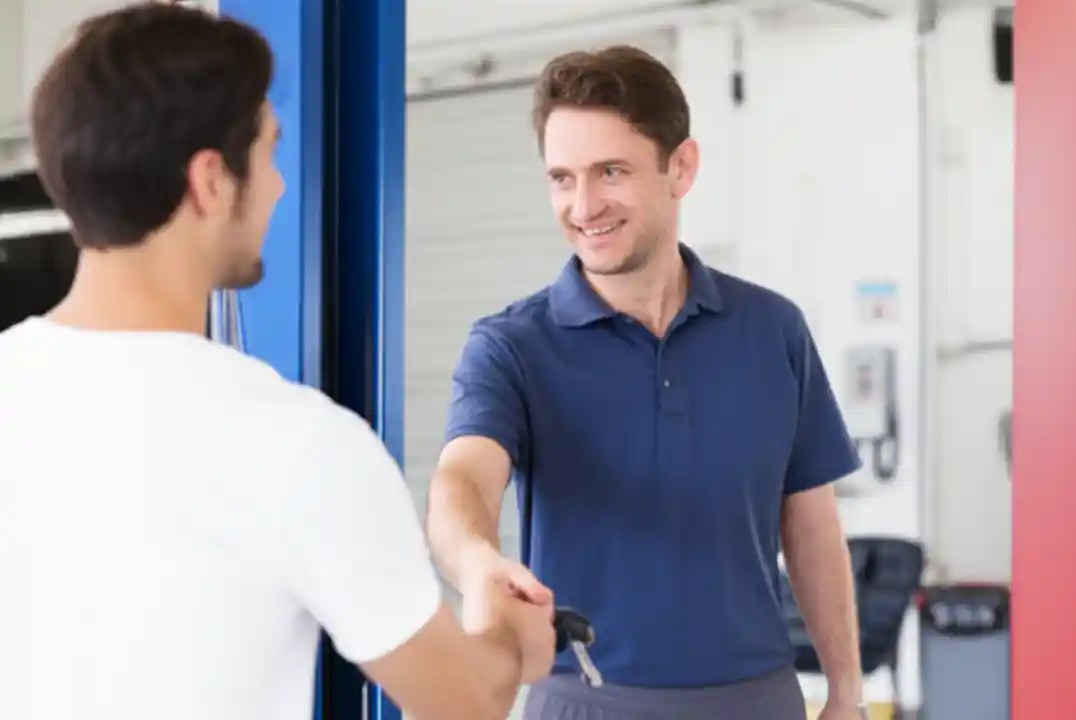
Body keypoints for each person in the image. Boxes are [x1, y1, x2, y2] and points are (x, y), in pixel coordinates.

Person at [0, 5, 555, 719]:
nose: (279, 187)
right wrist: (511, 636)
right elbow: (463, 697)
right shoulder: (298, 444)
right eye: (269, 153)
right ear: (210, 181)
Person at [426, 45, 869, 720]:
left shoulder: (772, 331)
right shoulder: (510, 346)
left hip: (757, 703)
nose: (583, 205)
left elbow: (811, 526)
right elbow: (463, 479)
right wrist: (478, 563)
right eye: (561, 178)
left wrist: (845, 690)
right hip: (585, 702)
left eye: (610, 171)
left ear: (680, 167)